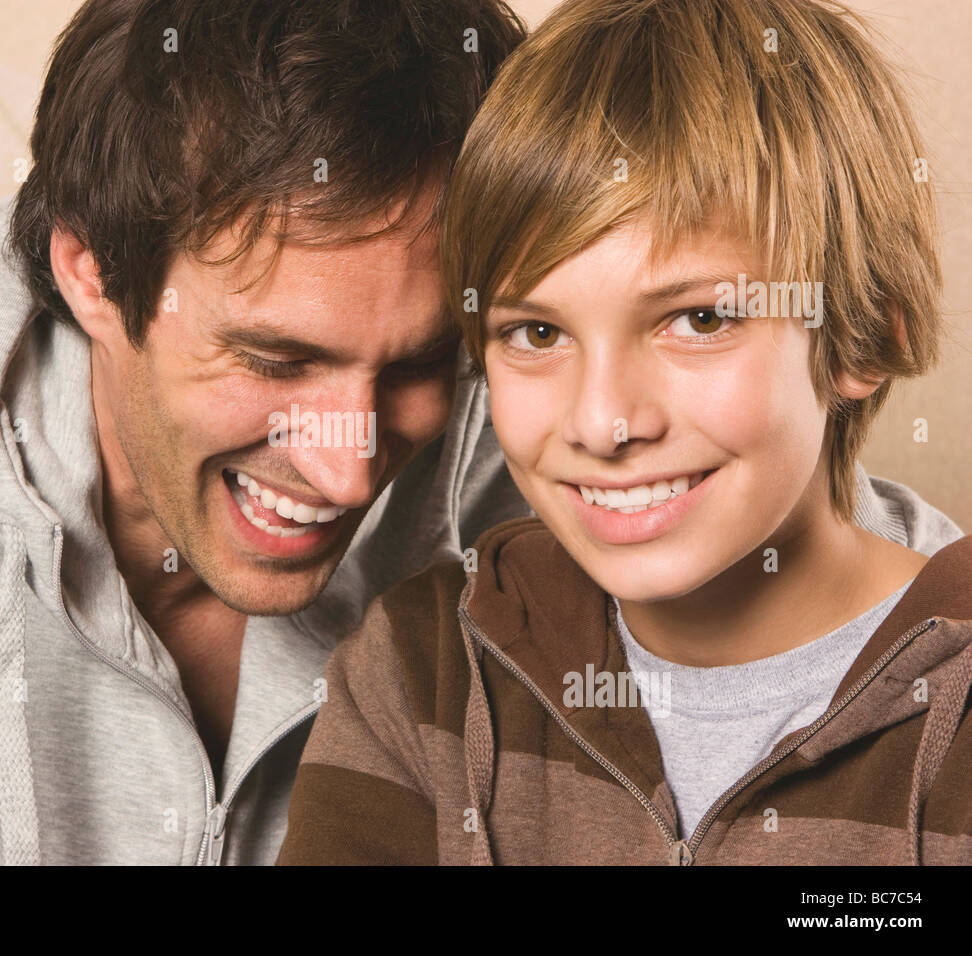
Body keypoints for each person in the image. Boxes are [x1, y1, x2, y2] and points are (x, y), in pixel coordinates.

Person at [0, 0, 530, 865]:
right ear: (89, 269)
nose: (348, 472)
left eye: (421, 366)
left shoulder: (525, 450)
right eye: (275, 362)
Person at [277, 0, 969, 865]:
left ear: (863, 334)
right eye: (537, 333)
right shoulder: (422, 678)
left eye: (700, 319)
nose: (604, 422)